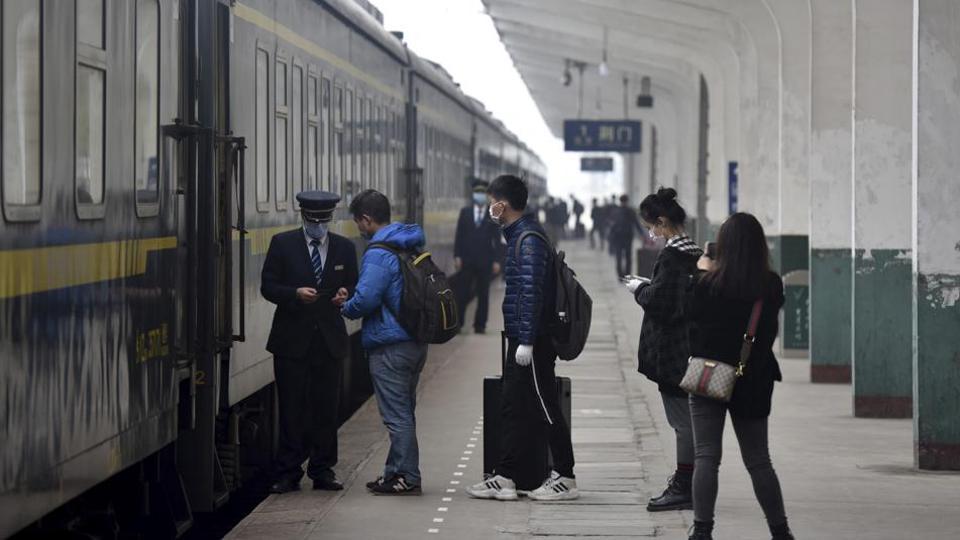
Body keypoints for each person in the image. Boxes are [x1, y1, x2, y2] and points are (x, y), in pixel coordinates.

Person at [466, 174, 578, 502]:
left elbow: (530, 292)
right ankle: (505, 476)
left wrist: (526, 340)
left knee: (545, 406)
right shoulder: (518, 235)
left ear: (502, 204)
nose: (489, 209)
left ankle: (566, 476)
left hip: (533, 340)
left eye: (491, 204)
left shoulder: (528, 240)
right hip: (520, 336)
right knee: (512, 405)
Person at [685, 213, 793, 540]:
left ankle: (702, 531)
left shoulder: (706, 285)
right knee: (759, 460)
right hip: (753, 380)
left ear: (725, 246)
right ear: (760, 246)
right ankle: (781, 532)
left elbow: (692, 331)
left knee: (706, 456)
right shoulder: (771, 285)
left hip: (709, 378)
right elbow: (769, 334)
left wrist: (701, 271)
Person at [261, 190, 359, 494]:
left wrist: (346, 295)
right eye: (313, 220)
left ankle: (322, 469)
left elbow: (353, 285)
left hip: (329, 340)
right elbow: (268, 286)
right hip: (291, 340)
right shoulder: (283, 244)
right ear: (303, 217)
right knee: (291, 408)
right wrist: (293, 295)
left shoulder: (344, 247)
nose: (318, 225)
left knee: (326, 408)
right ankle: (288, 471)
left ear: (330, 219)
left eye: (323, 220)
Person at [340, 189, 428, 496]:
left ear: (366, 219)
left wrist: (344, 305)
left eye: (358, 223)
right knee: (404, 411)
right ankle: (394, 473)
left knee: (397, 415)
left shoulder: (378, 253)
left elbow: (365, 301)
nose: (358, 230)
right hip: (414, 342)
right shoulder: (409, 243)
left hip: (390, 345)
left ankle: (407, 476)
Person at [623, 187, 701, 512]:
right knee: (688, 421)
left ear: (663, 221)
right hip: (689, 348)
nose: (651, 233)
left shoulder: (672, 256)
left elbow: (663, 304)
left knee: (682, 423)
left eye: (651, 226)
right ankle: (691, 482)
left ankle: (685, 486)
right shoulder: (694, 252)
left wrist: (640, 288)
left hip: (673, 354)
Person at [453, 179, 503, 334]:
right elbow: (459, 236)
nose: (479, 196)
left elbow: (498, 240)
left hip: (485, 260)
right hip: (467, 259)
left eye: (482, 193)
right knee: (463, 292)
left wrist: (497, 260)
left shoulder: (493, 215)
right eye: (477, 193)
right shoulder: (465, 212)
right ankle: (459, 323)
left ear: (487, 196)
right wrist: (457, 256)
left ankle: (480, 325)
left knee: (483, 294)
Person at [608, 194, 646, 276]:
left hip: (618, 237)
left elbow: (612, 225)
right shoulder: (631, 211)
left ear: (620, 201)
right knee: (628, 256)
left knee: (618, 257)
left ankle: (620, 275)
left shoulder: (615, 211)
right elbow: (636, 223)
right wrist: (642, 234)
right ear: (627, 201)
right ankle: (627, 275)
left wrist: (610, 237)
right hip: (628, 236)